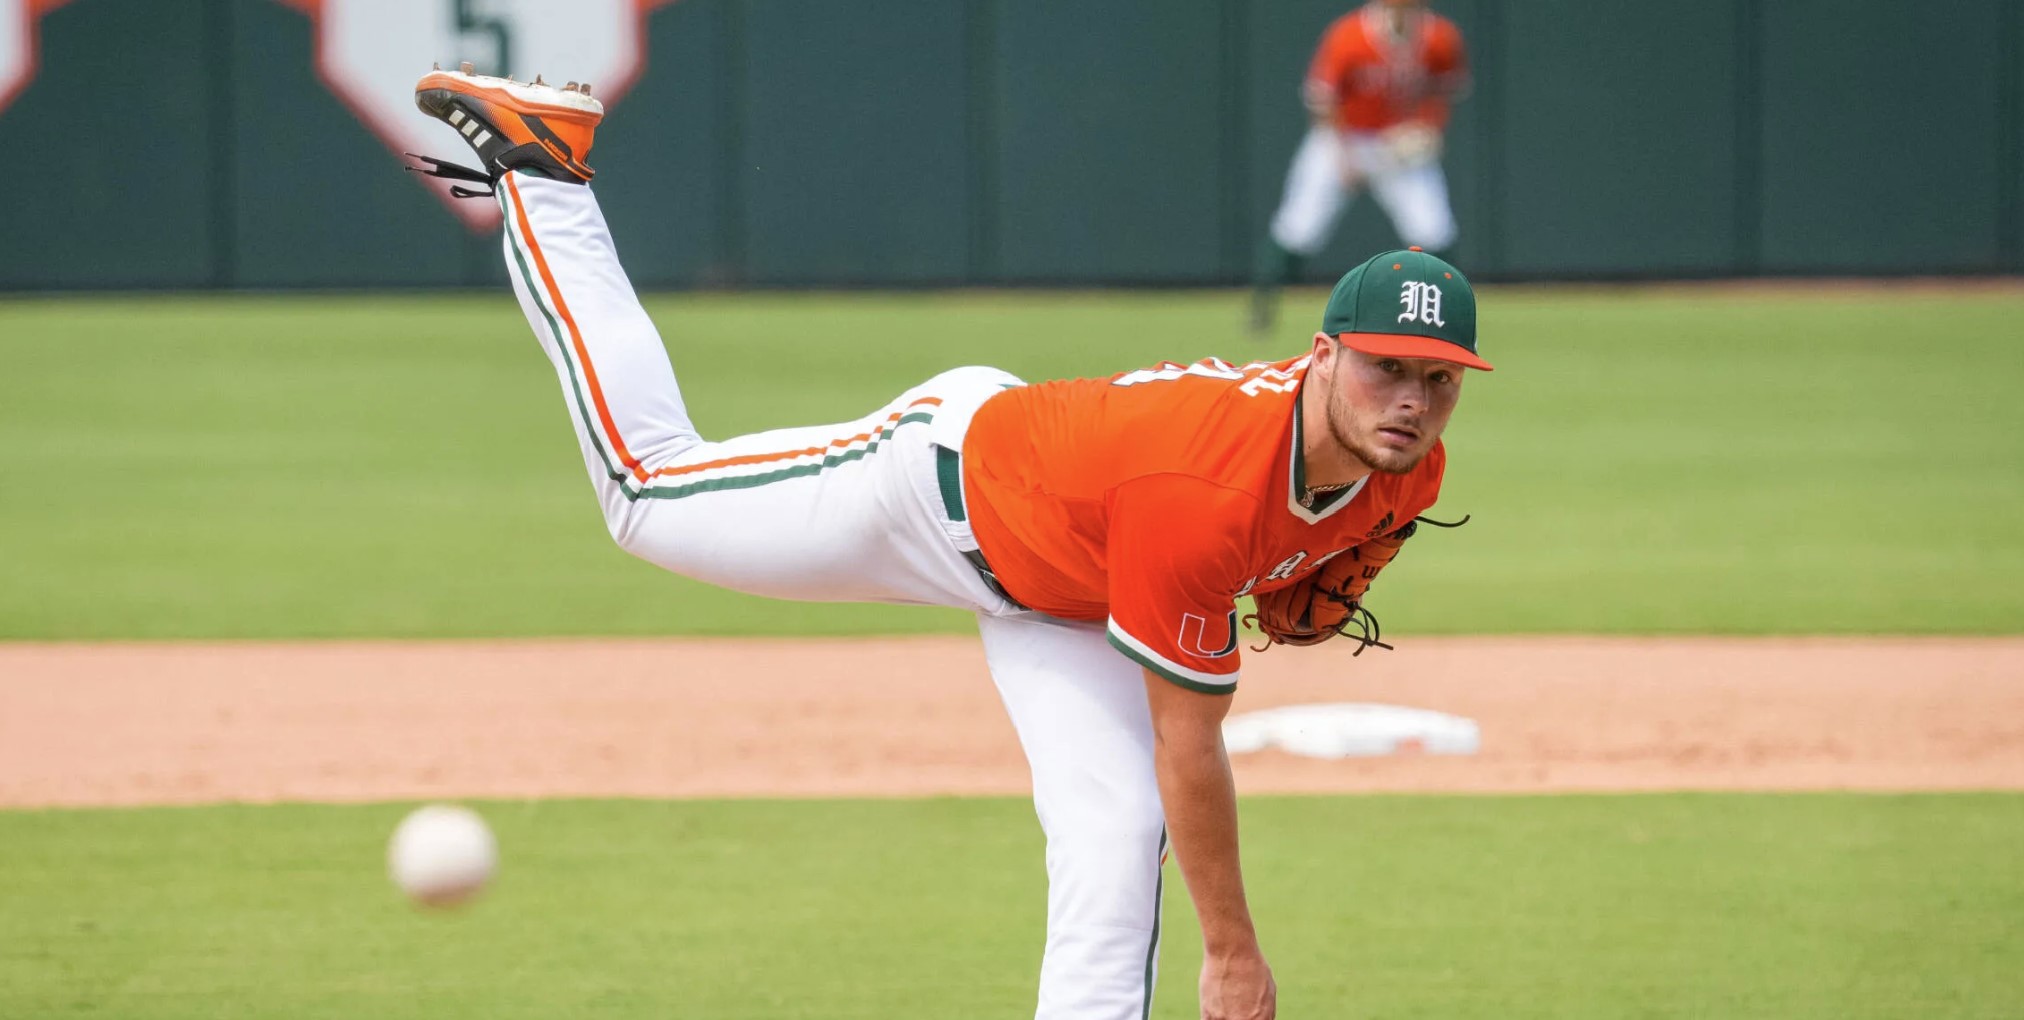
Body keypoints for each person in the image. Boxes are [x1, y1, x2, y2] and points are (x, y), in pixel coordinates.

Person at [408, 64, 1492, 1020]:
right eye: (1382, 366)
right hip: (931, 491)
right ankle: (544, 174)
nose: (1407, 400)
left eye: (1433, 380)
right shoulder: (1201, 490)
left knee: (1114, 832)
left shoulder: (1408, 464)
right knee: (643, 492)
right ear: (1318, 357)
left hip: (1068, 576)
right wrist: (1231, 955)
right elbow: (1190, 746)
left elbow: (1321, 546)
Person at [1251, 0, 1470, 336]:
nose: (1403, 12)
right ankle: (1262, 309)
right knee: (1300, 226)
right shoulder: (1350, 34)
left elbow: (1444, 91)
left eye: (1410, 6)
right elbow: (1322, 100)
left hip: (1398, 142)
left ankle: (1450, 316)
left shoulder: (1440, 36)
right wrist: (1344, 156)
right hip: (1342, 136)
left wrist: (1429, 127)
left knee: (1433, 229)